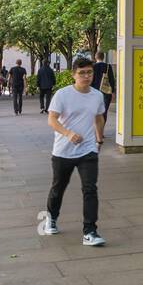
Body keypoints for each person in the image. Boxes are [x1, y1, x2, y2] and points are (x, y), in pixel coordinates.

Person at [37, 57, 107, 246]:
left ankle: (90, 232)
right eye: (82, 73)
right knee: (58, 187)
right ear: (73, 75)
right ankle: (51, 219)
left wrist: (99, 138)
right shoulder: (62, 95)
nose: (86, 76)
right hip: (63, 151)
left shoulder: (97, 96)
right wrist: (68, 133)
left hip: (88, 150)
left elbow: (99, 117)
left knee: (90, 189)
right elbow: (52, 120)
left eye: (89, 72)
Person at [91, 51, 116, 116]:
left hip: (95, 91)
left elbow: (91, 80)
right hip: (106, 91)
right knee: (104, 112)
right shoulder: (108, 66)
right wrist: (113, 92)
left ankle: (97, 125)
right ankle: (102, 124)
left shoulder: (93, 67)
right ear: (103, 57)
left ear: (95, 57)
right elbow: (111, 80)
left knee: (96, 111)